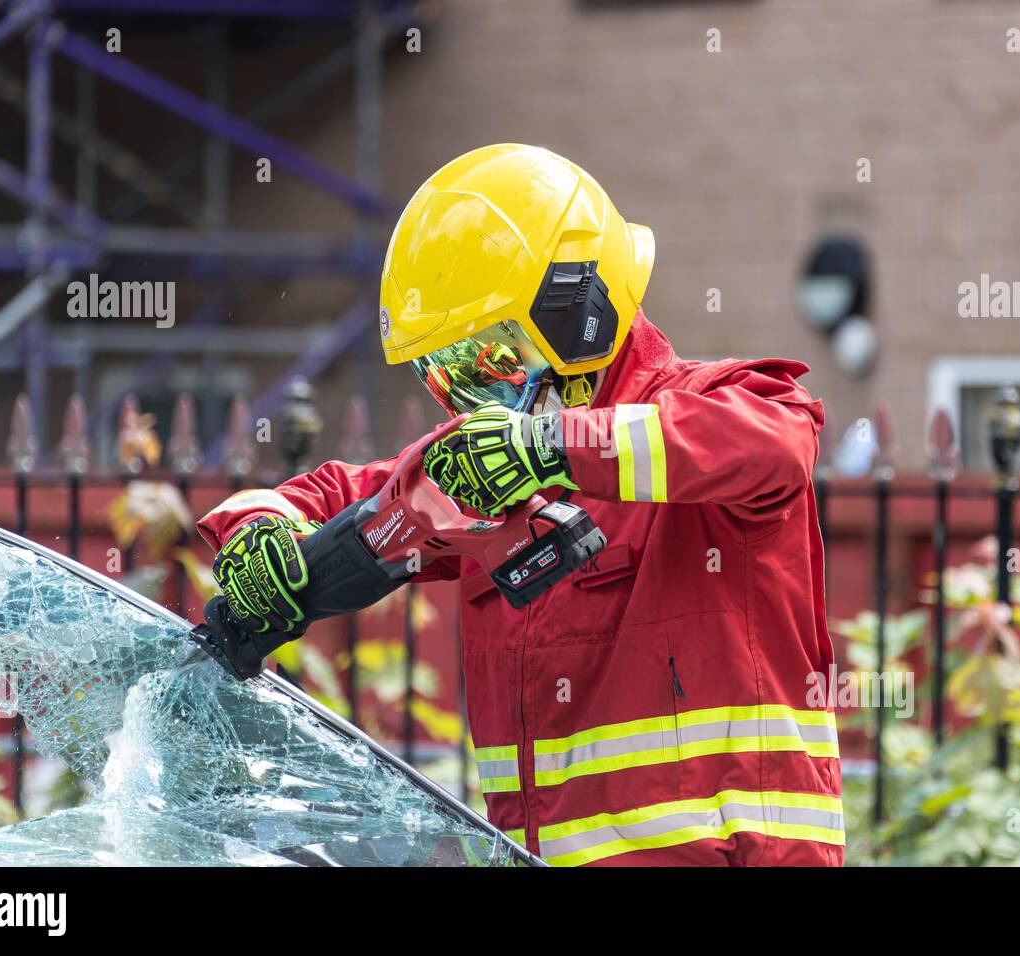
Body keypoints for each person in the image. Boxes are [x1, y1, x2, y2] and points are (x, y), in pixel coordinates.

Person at [198, 144, 842, 866]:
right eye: (445, 373)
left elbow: (776, 444)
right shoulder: (494, 474)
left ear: (578, 311)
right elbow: (344, 495)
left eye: (490, 356)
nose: (475, 394)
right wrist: (259, 530)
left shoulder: (713, 409)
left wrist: (552, 445)